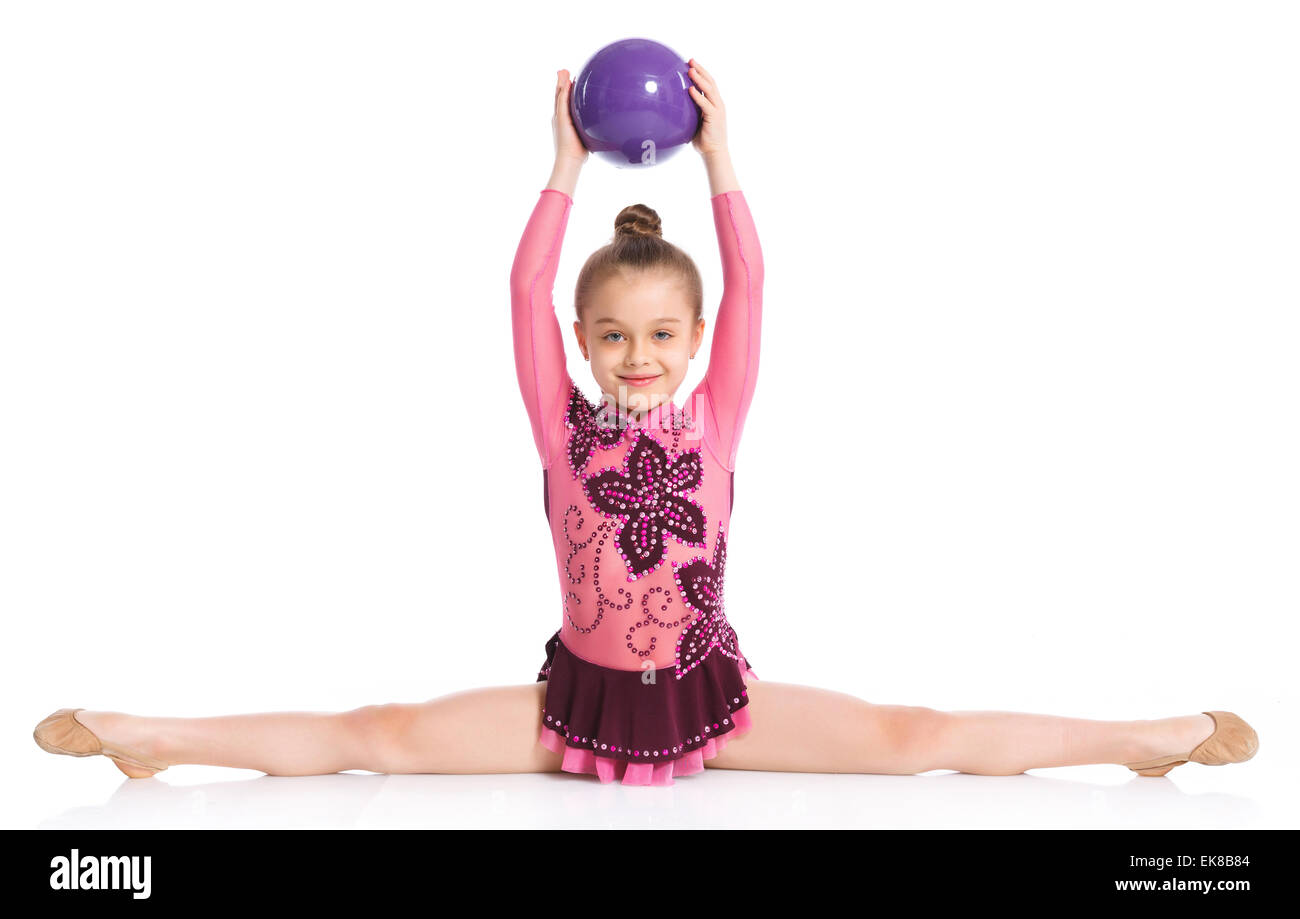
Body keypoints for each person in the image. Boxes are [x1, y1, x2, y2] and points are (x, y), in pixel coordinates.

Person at [34, 60, 1258, 786]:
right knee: (383, 733)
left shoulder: (715, 416)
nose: (637, 355)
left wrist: (723, 161)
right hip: (581, 703)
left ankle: (1141, 737)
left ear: (695, 340)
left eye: (664, 334)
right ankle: (154, 734)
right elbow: (520, 289)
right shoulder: (561, 427)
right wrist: (562, 167)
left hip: (710, 697)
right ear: (581, 345)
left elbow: (758, 287)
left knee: (909, 736)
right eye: (613, 335)